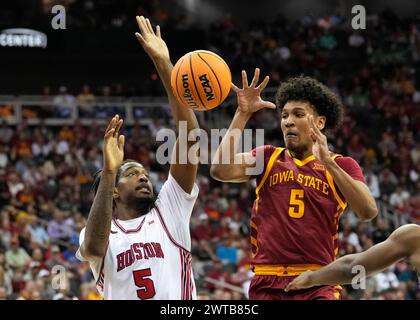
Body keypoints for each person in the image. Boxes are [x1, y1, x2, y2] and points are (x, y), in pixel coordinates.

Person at [210, 71, 378, 300]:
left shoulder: (342, 164)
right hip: (267, 280)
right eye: (285, 115)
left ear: (319, 122)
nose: (288, 121)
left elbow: (368, 211)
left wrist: (328, 164)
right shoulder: (268, 157)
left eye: (298, 114)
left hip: (318, 280)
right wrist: (243, 113)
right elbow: (221, 170)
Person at [76, 16, 200, 300]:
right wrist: (109, 171)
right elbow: (94, 249)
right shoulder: (99, 233)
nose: (143, 176)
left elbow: (191, 137)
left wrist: (163, 63)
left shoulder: (169, 209)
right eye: (131, 173)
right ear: (115, 192)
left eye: (143, 172)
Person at [285, 224, 420, 292]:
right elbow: (353, 269)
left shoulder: (413, 238)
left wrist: (312, 278)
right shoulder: (413, 238)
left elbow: (353, 269)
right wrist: (312, 278)